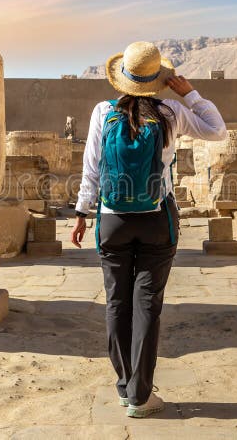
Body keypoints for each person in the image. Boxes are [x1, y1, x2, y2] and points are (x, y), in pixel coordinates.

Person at [71, 41, 227, 418]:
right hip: (158, 220)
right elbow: (217, 131)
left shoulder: (102, 112)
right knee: (147, 305)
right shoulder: (171, 112)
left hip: (112, 220)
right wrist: (190, 94)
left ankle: (125, 387)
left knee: (116, 302)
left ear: (122, 78)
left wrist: (81, 211)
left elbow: (91, 167)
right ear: (158, 79)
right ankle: (142, 395)